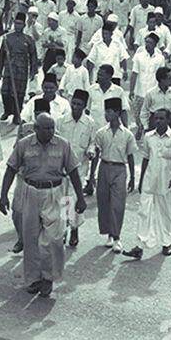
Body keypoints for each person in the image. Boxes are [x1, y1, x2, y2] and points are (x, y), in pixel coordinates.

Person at [0, 111, 86, 297]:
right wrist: (3, 195)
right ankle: (34, 278)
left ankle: (49, 278)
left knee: (54, 239)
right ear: (36, 128)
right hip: (30, 192)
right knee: (30, 238)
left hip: (56, 193)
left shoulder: (63, 145)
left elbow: (73, 172)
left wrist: (80, 198)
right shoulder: (24, 145)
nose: (50, 132)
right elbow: (10, 169)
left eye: (52, 128)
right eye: (45, 128)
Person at [121, 109, 171, 260]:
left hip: (166, 182)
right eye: (156, 118)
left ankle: (166, 243)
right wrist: (141, 180)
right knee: (144, 212)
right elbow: (145, 158)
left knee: (165, 213)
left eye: (162, 118)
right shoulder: (149, 136)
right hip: (150, 181)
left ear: (168, 120)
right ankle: (139, 246)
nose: (158, 121)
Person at [93, 98, 136, 252]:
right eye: (106, 111)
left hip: (119, 170)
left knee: (117, 204)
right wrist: (92, 176)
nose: (106, 114)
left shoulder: (127, 135)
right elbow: (97, 154)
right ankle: (109, 235)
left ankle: (117, 237)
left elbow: (130, 156)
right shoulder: (101, 133)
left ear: (117, 113)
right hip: (104, 167)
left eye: (109, 111)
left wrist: (132, 177)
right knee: (104, 202)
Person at [63, 90, 97, 248]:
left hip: (79, 168)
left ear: (84, 106)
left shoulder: (90, 123)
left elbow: (92, 143)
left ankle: (74, 228)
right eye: (74, 103)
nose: (75, 107)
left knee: (74, 198)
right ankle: (63, 229)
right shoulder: (61, 121)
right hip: (61, 168)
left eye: (79, 105)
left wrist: (91, 151)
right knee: (62, 199)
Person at [0, 12, 39, 125]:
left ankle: (17, 114)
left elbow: (33, 56)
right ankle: (7, 111)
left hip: (22, 70)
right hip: (9, 68)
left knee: (19, 93)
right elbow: (2, 54)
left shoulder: (29, 39)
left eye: (20, 24)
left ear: (24, 25)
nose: (17, 26)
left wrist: (33, 71)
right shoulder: (7, 38)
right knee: (5, 92)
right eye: (16, 23)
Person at [129, 33, 167, 127]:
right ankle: (140, 127)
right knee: (137, 114)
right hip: (140, 91)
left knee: (152, 115)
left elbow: (162, 76)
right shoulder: (139, 56)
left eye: (150, 43)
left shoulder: (160, 58)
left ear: (155, 44)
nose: (147, 45)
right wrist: (131, 90)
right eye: (146, 42)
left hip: (153, 91)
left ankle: (147, 130)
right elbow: (134, 74)